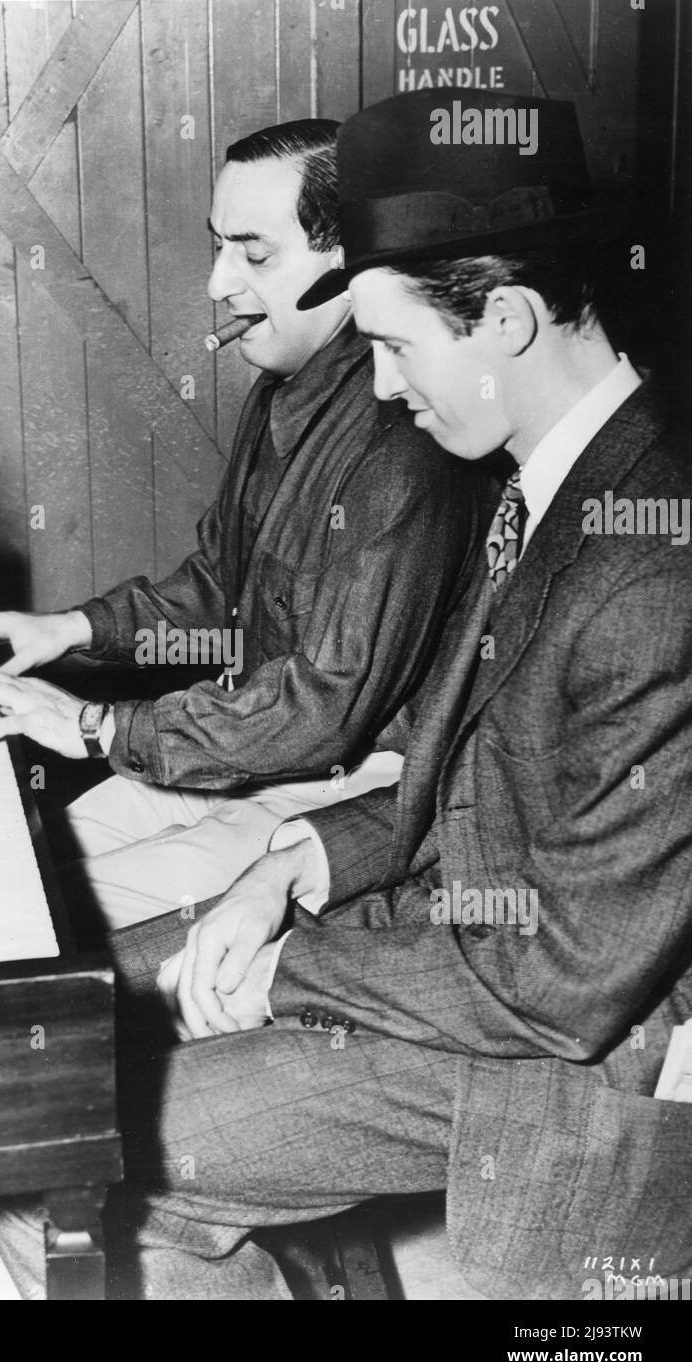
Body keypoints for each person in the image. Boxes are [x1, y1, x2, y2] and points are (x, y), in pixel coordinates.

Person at [103, 91, 692, 1300]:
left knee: (111, 1143)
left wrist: (279, 976)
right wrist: (292, 866)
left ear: (510, 321)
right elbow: (460, 770)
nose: (374, 391)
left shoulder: (648, 567)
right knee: (82, 1003)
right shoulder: (555, 472)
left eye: (393, 345)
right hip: (458, 942)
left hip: (568, 1051)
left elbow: (565, 984)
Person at [0, 119, 493, 930]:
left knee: (45, 927)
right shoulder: (283, 386)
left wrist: (96, 725)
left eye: (253, 253)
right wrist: (66, 630)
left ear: (349, 261)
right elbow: (219, 589)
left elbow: (323, 709)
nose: (216, 284)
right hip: (248, 747)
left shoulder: (400, 441)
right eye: (218, 247)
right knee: (13, 869)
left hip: (358, 788)